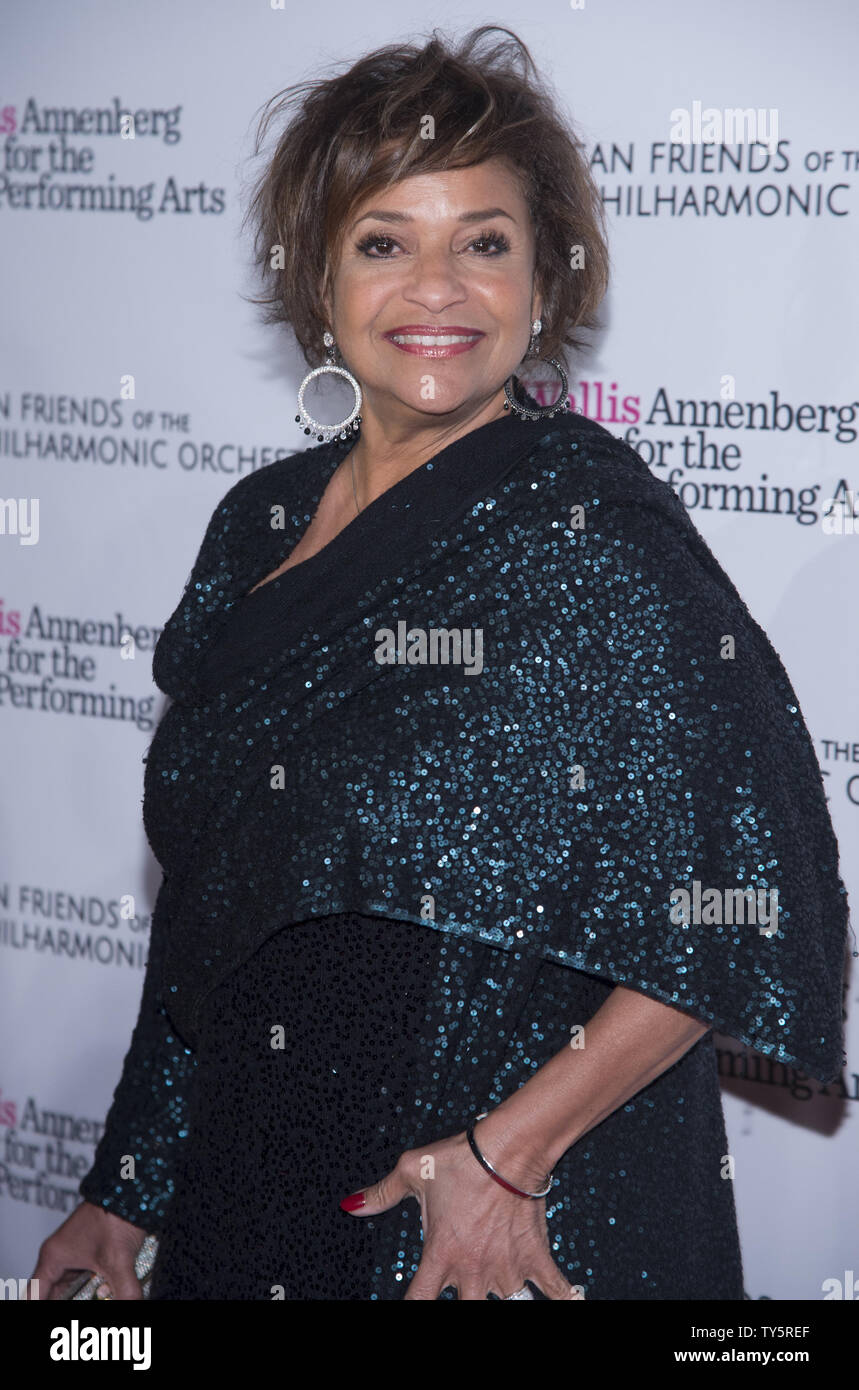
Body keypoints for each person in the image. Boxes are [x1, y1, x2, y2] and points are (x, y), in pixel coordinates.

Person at [32, 25, 847, 1302]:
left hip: (471, 1206)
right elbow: (219, 900)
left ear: (543, 281)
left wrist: (503, 1158)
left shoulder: (591, 537)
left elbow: (741, 904)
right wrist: (124, 1185)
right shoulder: (256, 520)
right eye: (382, 241)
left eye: (483, 241)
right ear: (317, 274)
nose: (437, 288)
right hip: (252, 1182)